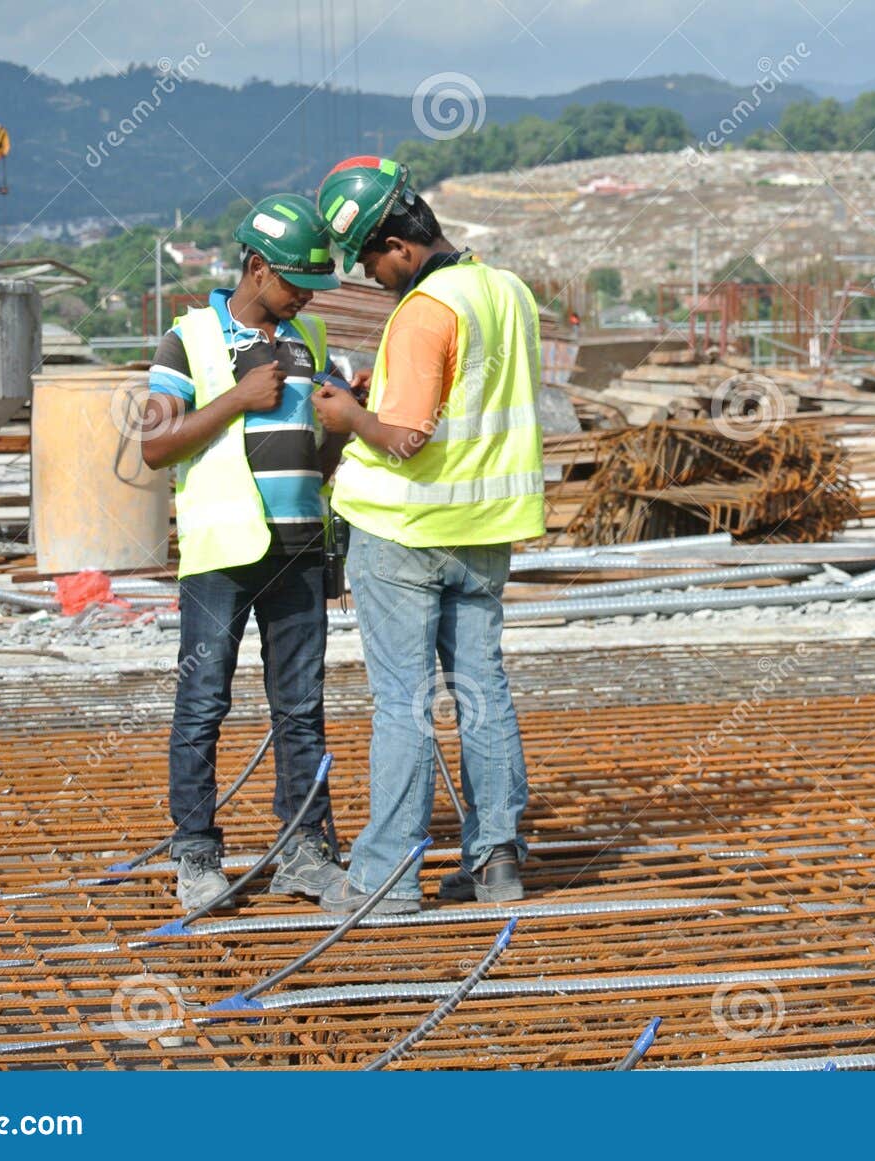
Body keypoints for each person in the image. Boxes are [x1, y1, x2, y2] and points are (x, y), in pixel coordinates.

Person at [309, 156, 544, 915]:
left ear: (399, 245)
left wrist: (349, 415)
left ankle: (385, 879)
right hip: (484, 532)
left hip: (405, 530)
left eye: (369, 260)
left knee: (404, 704)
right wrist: (384, 397)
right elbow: (470, 399)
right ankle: (497, 861)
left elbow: (406, 440)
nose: (370, 275)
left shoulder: (422, 310)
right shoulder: (508, 292)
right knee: (482, 692)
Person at [139, 194, 346, 910]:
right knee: (203, 704)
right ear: (258, 268)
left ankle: (306, 851)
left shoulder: (310, 337)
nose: (305, 297)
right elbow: (155, 446)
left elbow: (320, 454)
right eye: (295, 283)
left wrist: (342, 425)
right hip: (221, 556)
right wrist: (235, 397)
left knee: (302, 708)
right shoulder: (189, 339)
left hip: (299, 550)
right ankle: (197, 854)